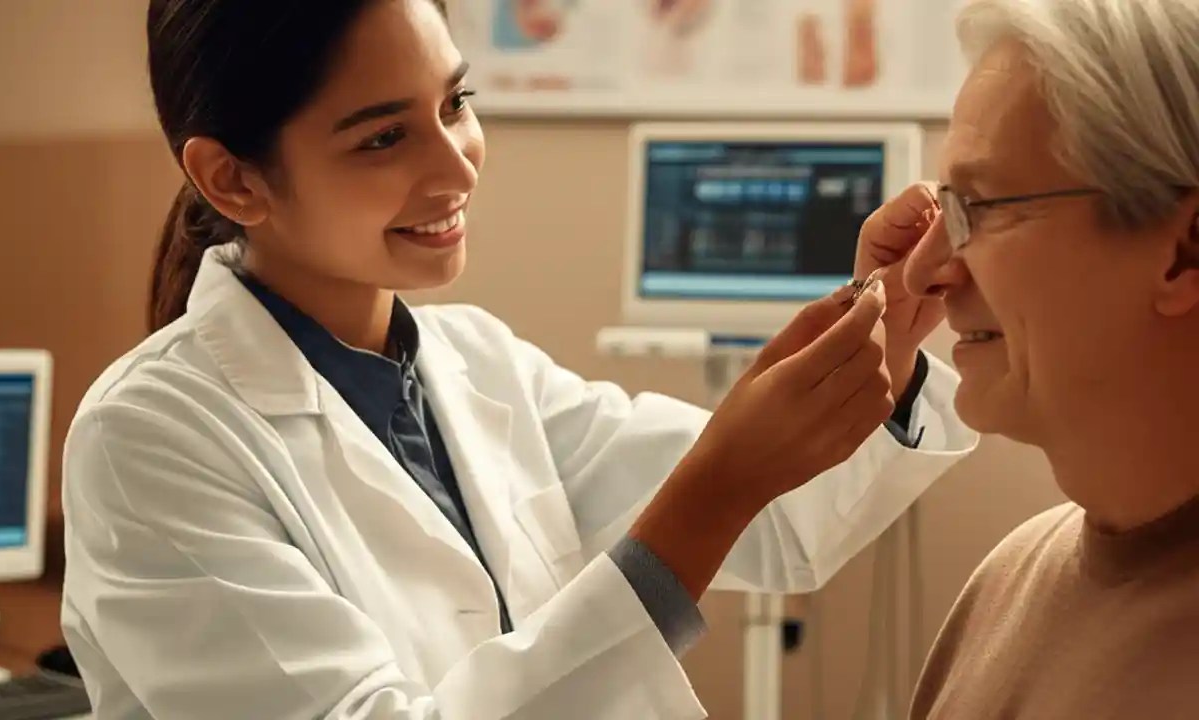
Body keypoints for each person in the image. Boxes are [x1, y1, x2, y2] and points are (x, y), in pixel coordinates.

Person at [59, 1, 976, 718]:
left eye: (455, 102)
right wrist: (718, 487)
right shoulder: (148, 440)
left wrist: (886, 331)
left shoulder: (479, 365)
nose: (457, 167)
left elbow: (782, 529)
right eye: (384, 136)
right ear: (233, 177)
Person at [904, 1, 1199, 717]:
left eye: (983, 206)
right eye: (945, 209)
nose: (924, 273)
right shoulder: (1009, 585)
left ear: (1185, 250)